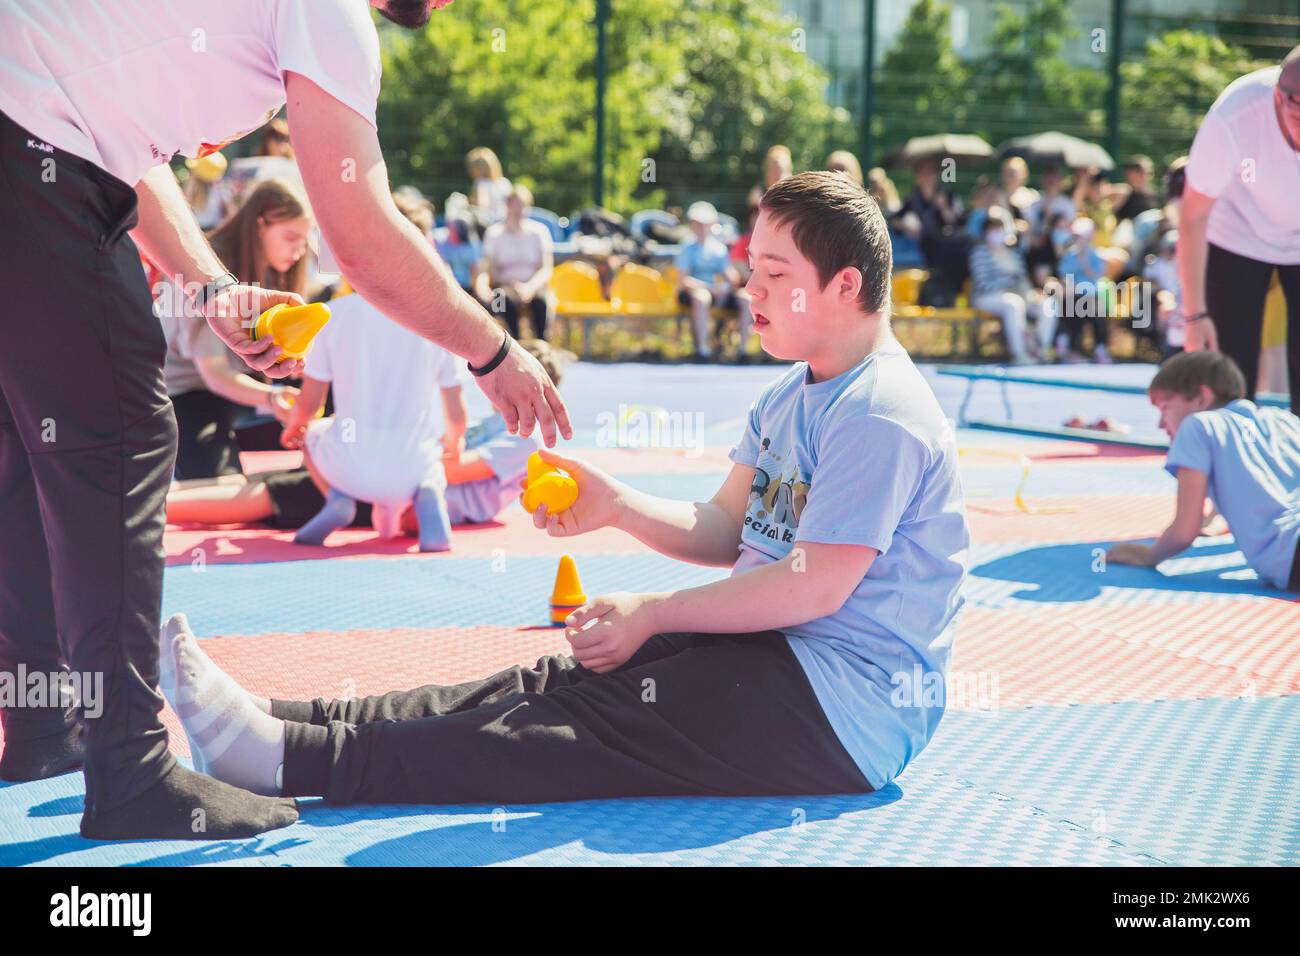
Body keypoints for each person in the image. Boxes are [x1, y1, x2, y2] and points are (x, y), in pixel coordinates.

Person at [155, 170, 969, 812]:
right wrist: (616, 505)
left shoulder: (880, 411)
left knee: (579, 724)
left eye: (773, 273)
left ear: (846, 286)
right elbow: (728, 526)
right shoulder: (793, 394)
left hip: (843, 713)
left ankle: (288, 761)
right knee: (551, 684)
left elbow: (816, 586)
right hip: (781, 657)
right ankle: (286, 722)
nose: (748, 289)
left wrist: (655, 614)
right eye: (750, 268)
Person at [0, 0, 568, 844]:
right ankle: (130, 766)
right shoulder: (331, 13)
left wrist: (212, 288)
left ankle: (46, 725)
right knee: (121, 439)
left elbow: (112, 139)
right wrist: (493, 353)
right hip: (36, 155)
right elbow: (361, 237)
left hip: (34, 144)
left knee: (30, 441)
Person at [167, 339, 570, 533]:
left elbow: (453, 470)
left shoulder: (525, 441)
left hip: (398, 491)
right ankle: (151, 503)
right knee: (267, 486)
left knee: (270, 495)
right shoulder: (503, 423)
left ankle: (152, 510)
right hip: (396, 480)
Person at [280, 190, 471, 551]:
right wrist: (454, 445)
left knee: (313, 433)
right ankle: (430, 495)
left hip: (350, 469)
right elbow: (455, 414)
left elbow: (309, 406)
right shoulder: (437, 321)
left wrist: (294, 428)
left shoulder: (334, 316)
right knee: (432, 455)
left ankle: (337, 499)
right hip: (412, 470)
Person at [1108, 351, 1300, 593]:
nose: (1160, 424)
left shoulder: (1198, 426)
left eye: (1165, 408)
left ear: (1201, 398)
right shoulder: (1283, 420)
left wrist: (1149, 555)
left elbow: (1185, 530)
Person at [160, 178, 313, 479]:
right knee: (217, 483)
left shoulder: (274, 270)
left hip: (243, 393)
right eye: (291, 237)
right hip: (188, 394)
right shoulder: (207, 273)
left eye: (306, 240)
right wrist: (272, 398)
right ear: (260, 225)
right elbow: (215, 376)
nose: (300, 250)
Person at [1179, 45, 1300, 413]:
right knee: (1232, 369)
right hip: (1237, 233)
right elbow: (1193, 215)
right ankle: (1230, 454)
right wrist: (1194, 315)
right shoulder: (1236, 115)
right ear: (1279, 99)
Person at [968, 207, 1055, 364]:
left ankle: (1040, 349)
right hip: (987, 297)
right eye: (993, 227)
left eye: (1000, 227)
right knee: (1013, 303)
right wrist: (1011, 287)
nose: (997, 231)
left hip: (1020, 295)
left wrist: (1030, 293)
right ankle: (1020, 354)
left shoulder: (1014, 253)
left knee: (1048, 304)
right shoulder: (980, 253)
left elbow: (1022, 278)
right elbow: (983, 283)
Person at [674, 201, 754, 362]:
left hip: (717, 294)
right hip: (695, 294)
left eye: (704, 224)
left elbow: (729, 276)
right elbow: (684, 281)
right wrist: (711, 288)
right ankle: (702, 350)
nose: (701, 228)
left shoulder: (719, 248)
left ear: (711, 225)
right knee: (701, 297)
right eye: (697, 224)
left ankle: (743, 350)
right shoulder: (687, 247)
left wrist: (729, 281)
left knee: (746, 298)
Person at [474, 184, 556, 342]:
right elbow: (490, 270)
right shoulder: (494, 233)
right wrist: (510, 285)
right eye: (516, 205)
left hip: (534, 287)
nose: (519, 210)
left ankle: (542, 344)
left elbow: (546, 269)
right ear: (507, 206)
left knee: (542, 302)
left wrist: (530, 287)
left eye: (523, 205)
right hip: (504, 287)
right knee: (498, 302)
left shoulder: (540, 232)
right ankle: (509, 344)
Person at [1055, 218, 1113, 364]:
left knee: (1095, 313)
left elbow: (1096, 274)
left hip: (1093, 297)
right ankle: (1070, 347)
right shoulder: (1069, 256)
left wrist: (1084, 260)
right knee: (1072, 310)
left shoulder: (1094, 255)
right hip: (1074, 297)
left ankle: (1100, 348)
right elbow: (1064, 276)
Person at [466, 146, 512, 221]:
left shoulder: (480, 183)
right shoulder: (505, 183)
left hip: (489, 224)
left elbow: (482, 207)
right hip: (505, 223)